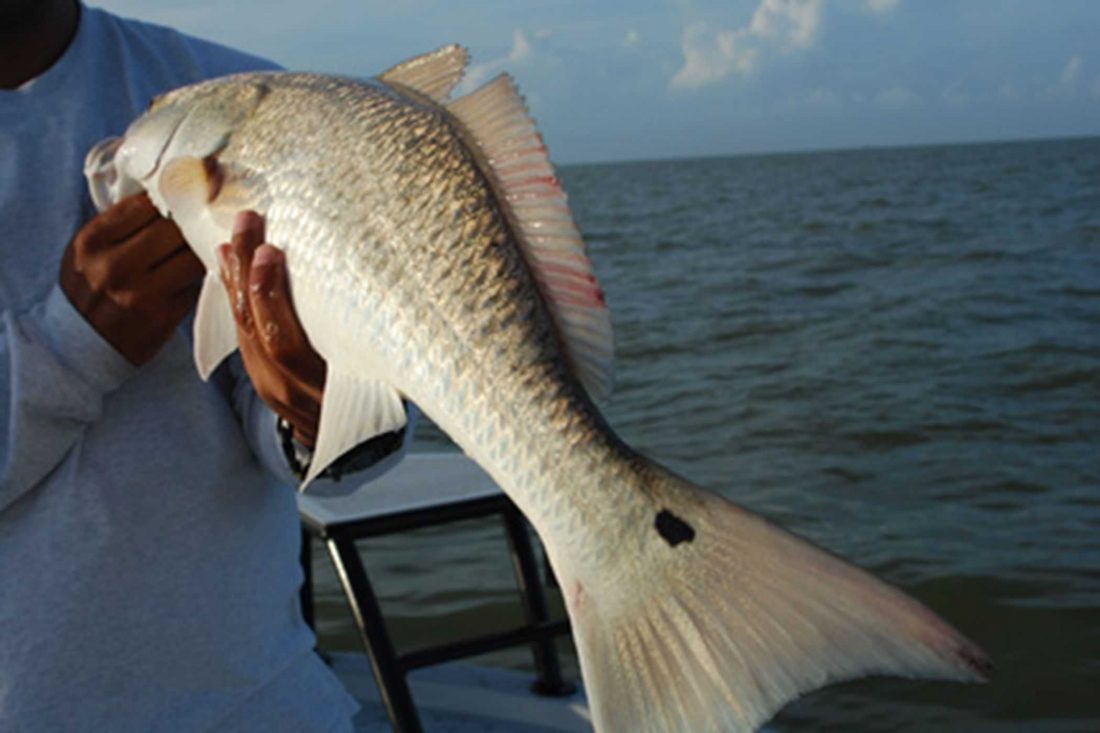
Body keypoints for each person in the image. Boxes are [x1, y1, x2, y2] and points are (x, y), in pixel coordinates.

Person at [0, 1, 410, 729]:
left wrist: (319, 411)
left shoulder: (240, 97)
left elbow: (328, 432)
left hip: (266, 704)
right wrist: (71, 342)